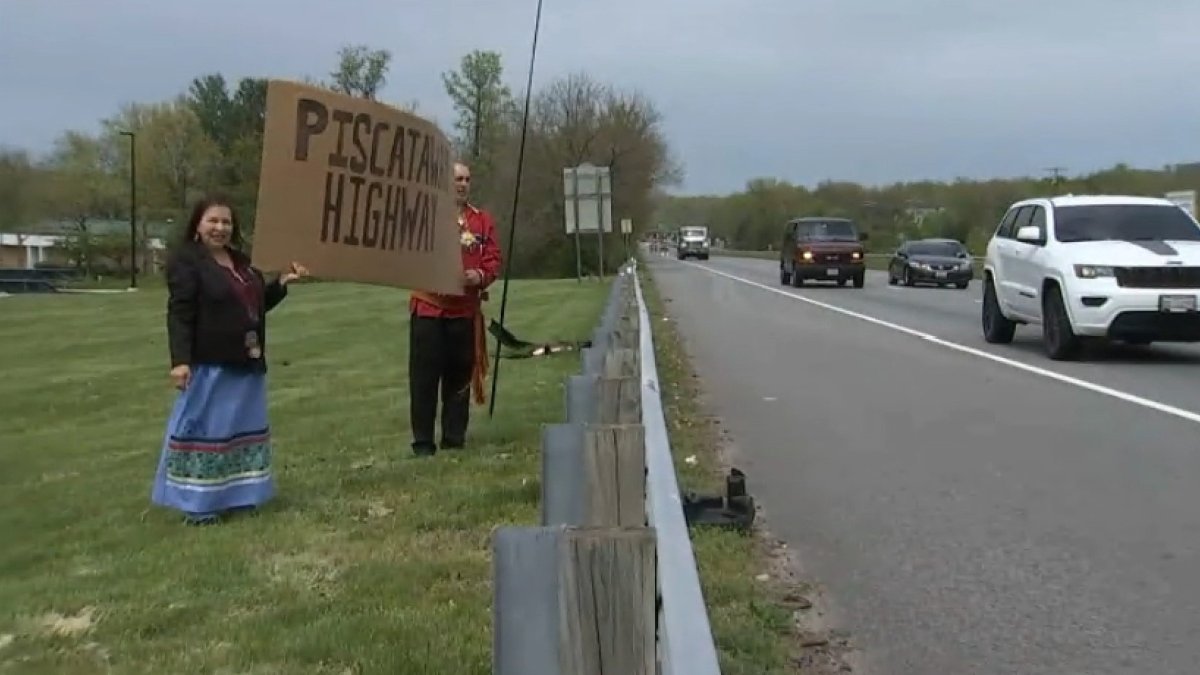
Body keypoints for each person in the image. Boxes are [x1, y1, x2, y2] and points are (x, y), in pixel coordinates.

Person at [151, 195, 308, 525]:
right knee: (206, 431)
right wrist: (180, 361)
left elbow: (254, 307)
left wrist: (281, 282)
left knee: (240, 431)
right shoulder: (187, 263)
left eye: (226, 222)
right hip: (210, 363)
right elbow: (180, 313)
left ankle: (239, 496)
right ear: (197, 225)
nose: (220, 228)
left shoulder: (242, 263)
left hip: (247, 361)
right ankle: (199, 504)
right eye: (213, 221)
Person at [407, 161, 502, 456]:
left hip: (464, 311)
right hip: (429, 309)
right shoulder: (426, 216)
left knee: (459, 377)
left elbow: (493, 259)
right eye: (457, 179)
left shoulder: (482, 221)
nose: (462, 184)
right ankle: (423, 442)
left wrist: (480, 276)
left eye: (466, 179)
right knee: (424, 379)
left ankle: (453, 439)